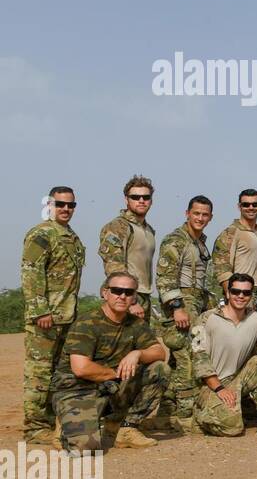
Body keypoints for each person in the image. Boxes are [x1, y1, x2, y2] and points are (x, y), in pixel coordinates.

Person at [51, 272, 167, 450]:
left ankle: (125, 429)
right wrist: (117, 375)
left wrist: (137, 354)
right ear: (105, 293)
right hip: (79, 389)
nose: (122, 296)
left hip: (110, 387)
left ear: (134, 297)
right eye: (116, 290)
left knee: (159, 369)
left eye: (128, 292)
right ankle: (65, 424)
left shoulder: (136, 324)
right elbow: (81, 368)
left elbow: (159, 352)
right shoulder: (87, 323)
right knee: (85, 447)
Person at [20, 185, 86, 445]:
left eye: (71, 205)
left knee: (60, 373)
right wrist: (40, 311)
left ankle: (52, 422)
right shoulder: (41, 234)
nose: (66, 209)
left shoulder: (71, 236)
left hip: (66, 317)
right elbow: (31, 274)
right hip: (45, 319)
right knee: (39, 373)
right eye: (61, 204)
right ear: (50, 204)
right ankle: (35, 428)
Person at [189, 273, 257, 436]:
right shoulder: (207, 319)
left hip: (238, 380)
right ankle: (201, 419)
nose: (241, 296)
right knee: (232, 429)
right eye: (236, 291)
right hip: (212, 384)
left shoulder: (256, 318)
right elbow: (199, 359)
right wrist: (219, 388)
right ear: (228, 293)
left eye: (246, 292)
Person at [153, 195, 214, 433]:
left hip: (195, 302)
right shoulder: (175, 240)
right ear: (187, 213)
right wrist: (177, 307)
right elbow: (165, 277)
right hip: (180, 304)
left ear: (210, 217)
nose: (200, 218)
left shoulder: (199, 242)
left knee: (178, 359)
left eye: (204, 214)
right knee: (189, 356)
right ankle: (185, 414)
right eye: (196, 213)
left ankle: (166, 413)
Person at [97, 174, 156, 322]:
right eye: (135, 197)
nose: (141, 201)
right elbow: (114, 266)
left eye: (145, 197)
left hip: (143, 295)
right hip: (125, 298)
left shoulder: (148, 229)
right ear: (126, 200)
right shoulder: (119, 227)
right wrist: (131, 300)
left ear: (151, 200)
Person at [212, 189, 257, 304]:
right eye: (246, 204)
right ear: (239, 206)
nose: (251, 207)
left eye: (255, 204)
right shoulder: (231, 233)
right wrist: (233, 294)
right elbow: (221, 268)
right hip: (241, 295)